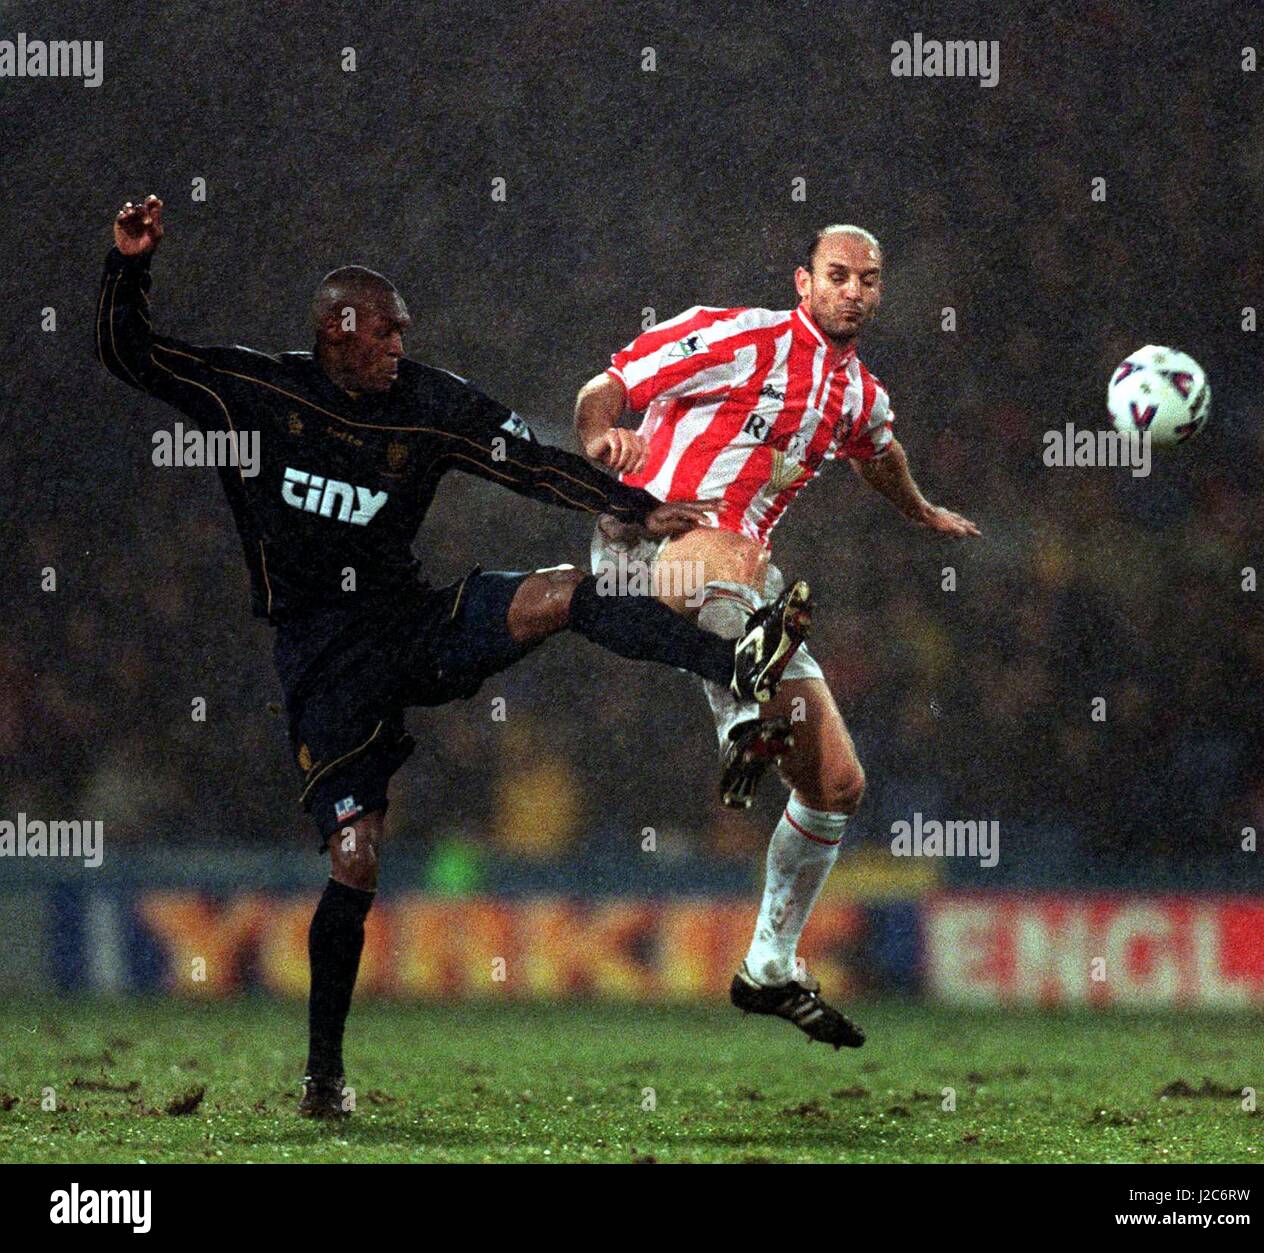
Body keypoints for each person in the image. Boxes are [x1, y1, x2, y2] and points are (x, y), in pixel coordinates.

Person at [97, 195, 811, 1115]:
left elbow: (529, 460)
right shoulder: (259, 394)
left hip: (412, 621)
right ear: (335, 332)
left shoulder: (430, 402)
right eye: (386, 332)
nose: (400, 345)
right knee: (355, 857)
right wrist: (128, 265)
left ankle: (738, 661)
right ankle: (323, 1078)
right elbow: (132, 355)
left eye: (405, 332)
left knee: (562, 592)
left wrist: (628, 504)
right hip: (322, 659)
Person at [575, 224, 981, 1048]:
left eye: (869, 279)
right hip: (644, 543)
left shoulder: (858, 394)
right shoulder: (737, 335)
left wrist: (922, 510)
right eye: (838, 274)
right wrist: (598, 439)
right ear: (804, 281)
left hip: (740, 588)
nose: (854, 291)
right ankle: (740, 725)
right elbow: (609, 383)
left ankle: (768, 964)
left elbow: (879, 454)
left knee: (837, 780)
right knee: (739, 556)